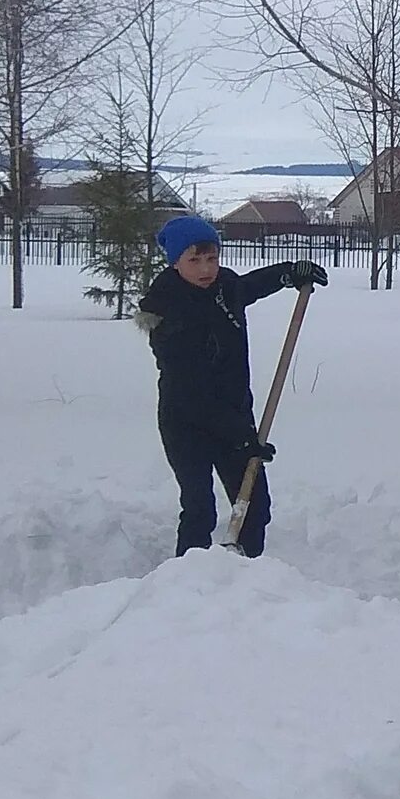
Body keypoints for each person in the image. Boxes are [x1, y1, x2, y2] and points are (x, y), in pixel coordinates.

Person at [139, 213, 328, 559]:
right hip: (186, 422)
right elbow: (192, 390)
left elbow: (248, 287)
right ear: (175, 262)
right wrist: (242, 438)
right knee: (199, 508)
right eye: (194, 260)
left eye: (212, 258)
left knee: (255, 506)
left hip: (234, 412)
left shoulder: (223, 287)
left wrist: (288, 273)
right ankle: (186, 579)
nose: (206, 269)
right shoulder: (168, 311)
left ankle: (246, 572)